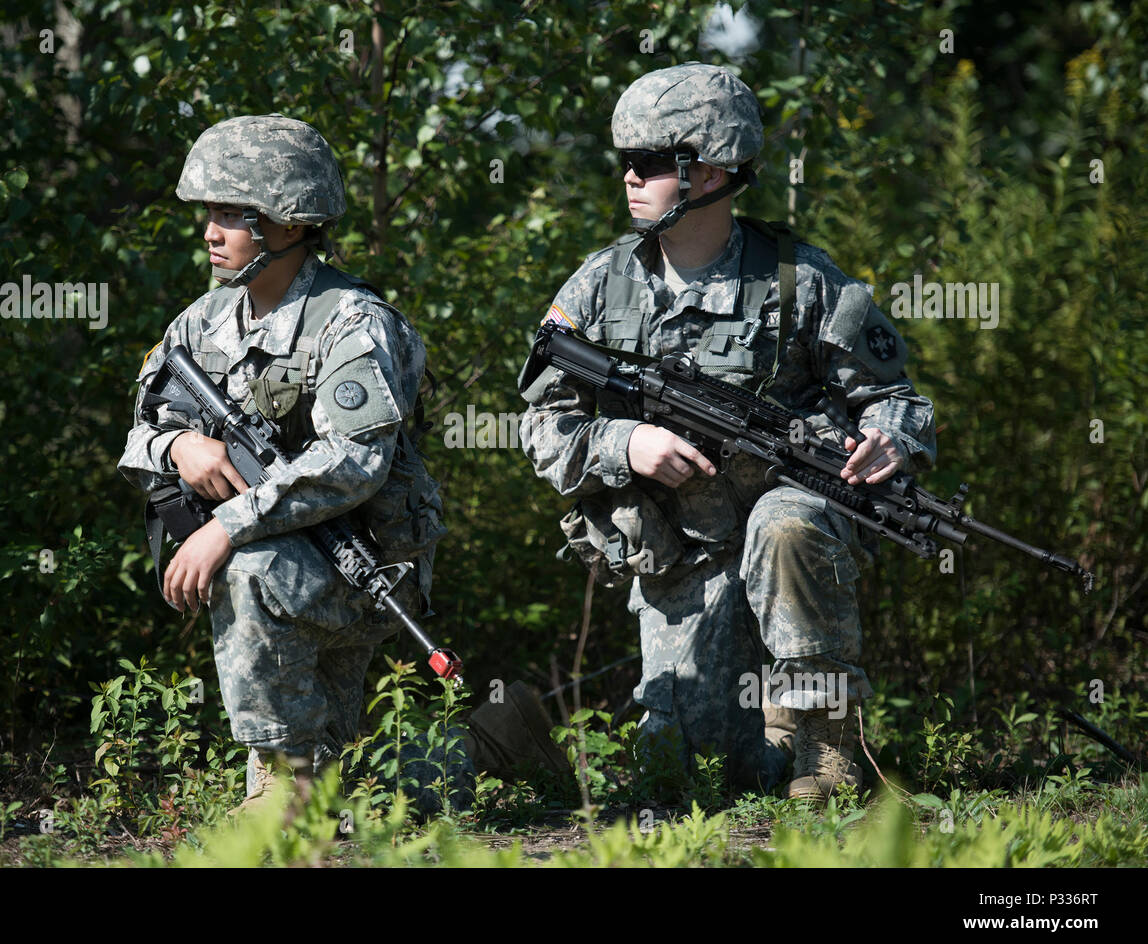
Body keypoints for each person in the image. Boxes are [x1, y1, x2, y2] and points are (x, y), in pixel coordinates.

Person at [518, 64, 936, 800]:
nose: (630, 179)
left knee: (786, 523)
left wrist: (890, 440)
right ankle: (770, 724)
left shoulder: (800, 279)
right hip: (684, 553)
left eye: (651, 163)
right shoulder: (601, 283)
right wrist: (625, 444)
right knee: (691, 774)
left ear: (710, 172)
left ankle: (829, 745)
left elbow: (892, 396)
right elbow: (544, 427)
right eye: (624, 162)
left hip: (791, 520)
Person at [117, 114, 444, 813]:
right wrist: (182, 447)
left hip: (370, 561)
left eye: (234, 214)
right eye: (209, 212)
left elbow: (356, 460)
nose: (210, 230)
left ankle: (286, 792)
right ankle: (311, 781)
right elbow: (139, 435)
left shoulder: (352, 320)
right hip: (292, 551)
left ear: (291, 224)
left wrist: (227, 525)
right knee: (356, 770)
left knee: (249, 568)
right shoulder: (200, 324)